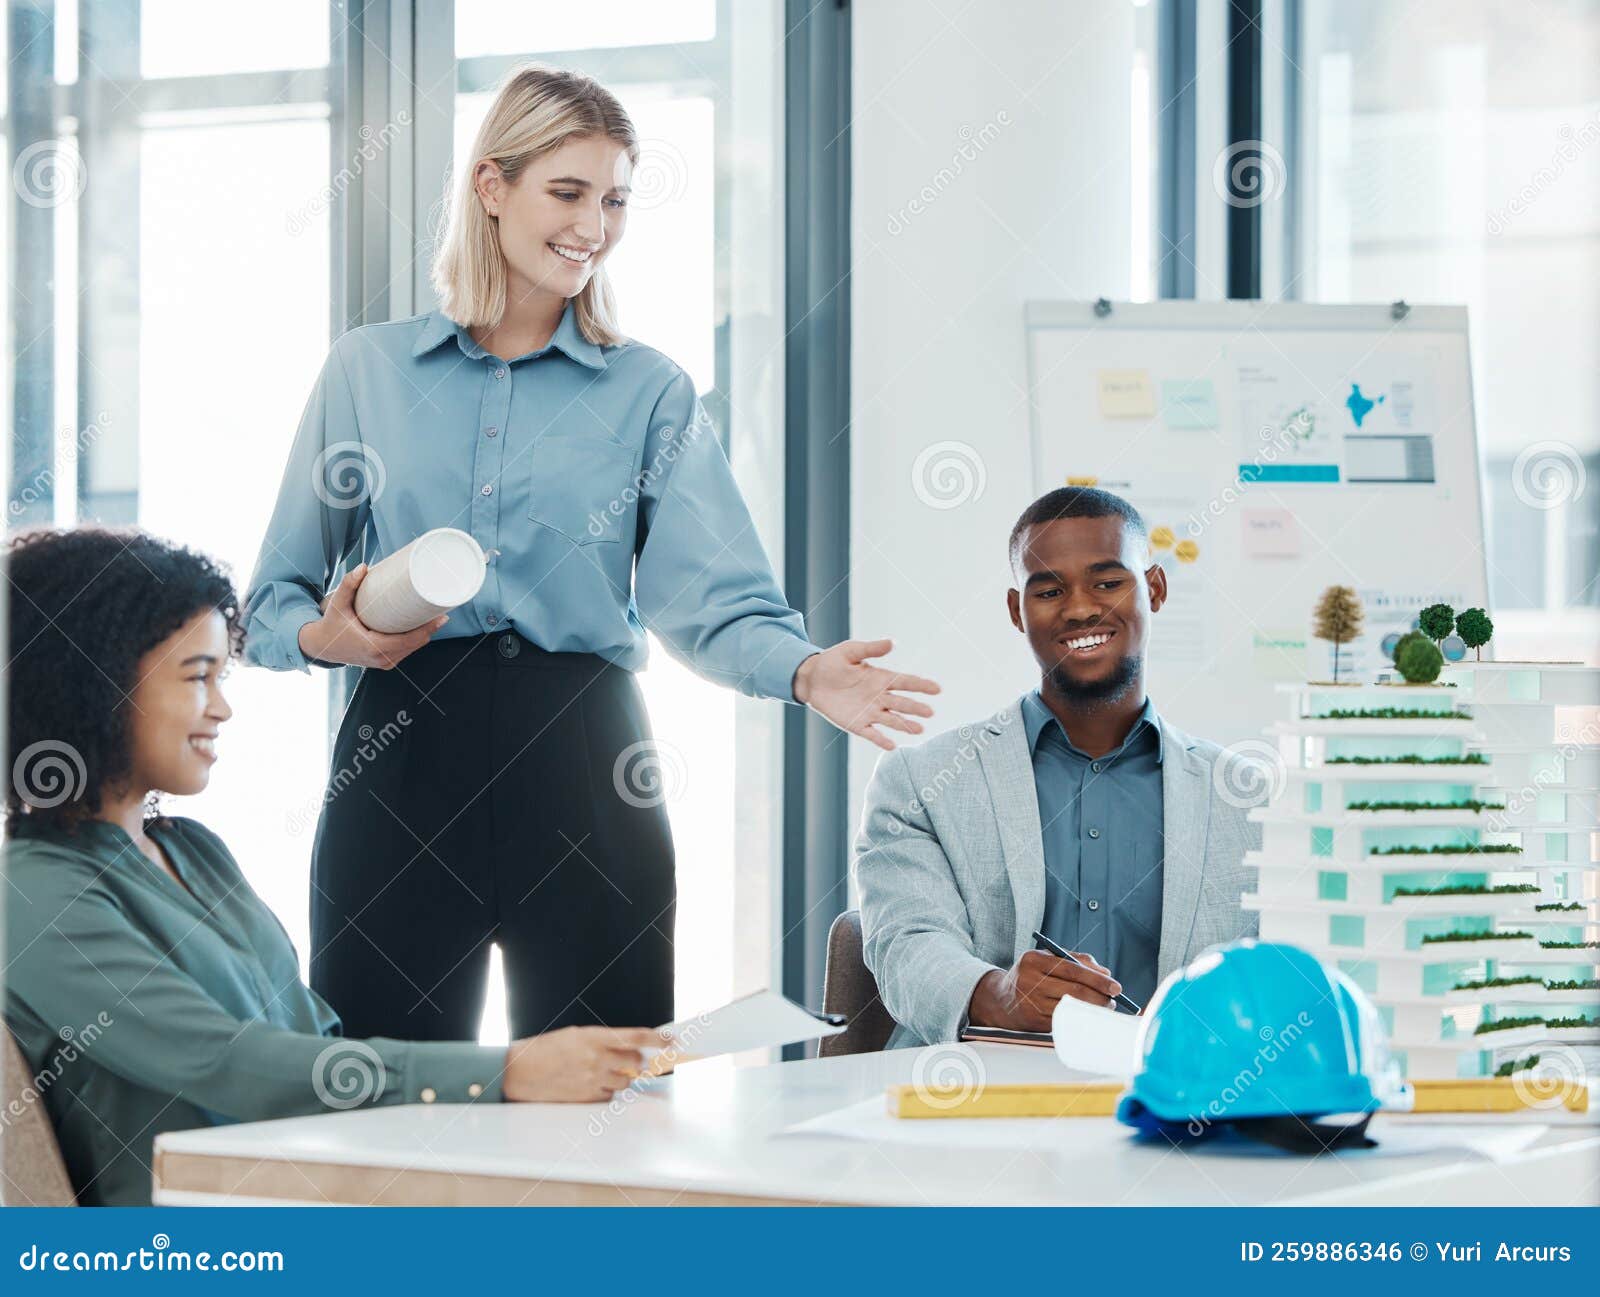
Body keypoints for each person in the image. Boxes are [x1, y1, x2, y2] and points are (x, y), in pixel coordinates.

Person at [242, 65, 938, 1043]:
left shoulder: (648, 391)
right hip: (398, 755)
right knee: (381, 1092)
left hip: (586, 767)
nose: (594, 225)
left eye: (613, 199)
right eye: (567, 192)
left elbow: (709, 596)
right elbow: (269, 601)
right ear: (492, 186)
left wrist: (804, 669)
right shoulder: (368, 371)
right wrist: (330, 638)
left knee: (602, 1096)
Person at [2, 528, 667, 1207]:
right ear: (95, 683)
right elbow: (225, 1061)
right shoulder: (30, 894)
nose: (223, 707)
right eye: (197, 676)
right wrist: (508, 1070)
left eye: (221, 676)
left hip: (309, 1193)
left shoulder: (192, 850)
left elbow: (307, 1036)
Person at [852, 488, 1259, 1047]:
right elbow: (905, 941)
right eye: (1048, 590)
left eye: (1108, 582)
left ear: (1155, 588)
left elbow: (1281, 968)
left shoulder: (1246, 799)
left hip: (1179, 1106)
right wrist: (993, 993)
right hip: (974, 1098)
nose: (1081, 608)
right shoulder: (919, 783)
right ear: (1018, 611)